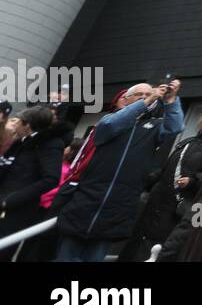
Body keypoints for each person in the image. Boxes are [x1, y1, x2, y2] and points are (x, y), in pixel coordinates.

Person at [55, 80, 184, 262]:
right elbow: (109, 127)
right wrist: (149, 99)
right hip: (88, 200)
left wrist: (171, 100)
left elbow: (176, 127)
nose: (146, 98)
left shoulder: (154, 126)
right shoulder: (110, 120)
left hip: (118, 206)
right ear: (126, 99)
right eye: (140, 95)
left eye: (148, 95)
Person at [131, 107, 202, 256]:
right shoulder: (187, 141)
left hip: (181, 205)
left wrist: (192, 181)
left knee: (163, 245)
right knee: (140, 239)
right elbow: (166, 168)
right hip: (158, 199)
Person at [0, 106, 63, 261]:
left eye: (18, 122)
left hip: (16, 210)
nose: (15, 125)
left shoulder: (50, 144)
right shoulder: (20, 142)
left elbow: (51, 179)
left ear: (27, 125)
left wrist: (11, 200)